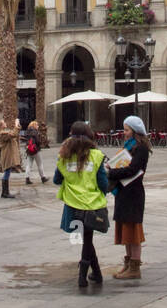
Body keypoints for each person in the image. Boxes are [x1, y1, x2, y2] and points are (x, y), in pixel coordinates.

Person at [52, 121, 108, 288]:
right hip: (92, 203)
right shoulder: (96, 156)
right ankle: (84, 276)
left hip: (73, 204)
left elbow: (56, 179)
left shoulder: (64, 157)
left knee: (86, 239)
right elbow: (103, 183)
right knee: (88, 239)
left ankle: (95, 274)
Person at [107, 115, 151, 280]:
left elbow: (133, 170)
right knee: (125, 230)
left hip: (133, 194)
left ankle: (135, 267)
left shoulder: (141, 148)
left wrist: (111, 172)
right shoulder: (129, 147)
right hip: (124, 192)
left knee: (132, 231)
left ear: (135, 131)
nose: (124, 133)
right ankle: (128, 265)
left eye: (126, 130)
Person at [0, 119, 21, 199]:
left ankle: (5, 192)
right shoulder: (3, 134)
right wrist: (16, 124)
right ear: (1, 125)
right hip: (7, 154)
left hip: (8, 153)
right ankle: (5, 192)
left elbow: (14, 133)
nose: (5, 123)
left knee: (8, 171)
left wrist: (17, 125)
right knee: (7, 171)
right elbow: (14, 134)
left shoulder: (3, 132)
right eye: (3, 123)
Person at [22, 120, 46, 185]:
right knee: (40, 164)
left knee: (29, 165)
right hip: (35, 150)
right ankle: (43, 178)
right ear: (34, 125)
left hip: (29, 150)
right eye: (37, 125)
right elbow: (38, 141)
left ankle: (27, 178)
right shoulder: (35, 132)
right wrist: (40, 142)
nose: (38, 126)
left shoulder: (27, 132)